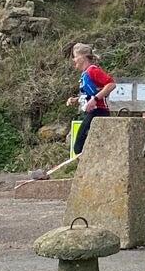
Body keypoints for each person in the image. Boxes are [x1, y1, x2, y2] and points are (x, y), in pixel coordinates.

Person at [46, 43, 116, 179]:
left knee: (79, 145)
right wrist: (76, 99)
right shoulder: (85, 74)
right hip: (92, 112)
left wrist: (95, 99)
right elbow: (89, 94)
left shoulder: (92, 70)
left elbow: (111, 84)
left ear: (83, 57)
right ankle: (90, 172)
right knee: (84, 144)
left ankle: (89, 173)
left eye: (75, 57)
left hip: (99, 112)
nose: (73, 60)